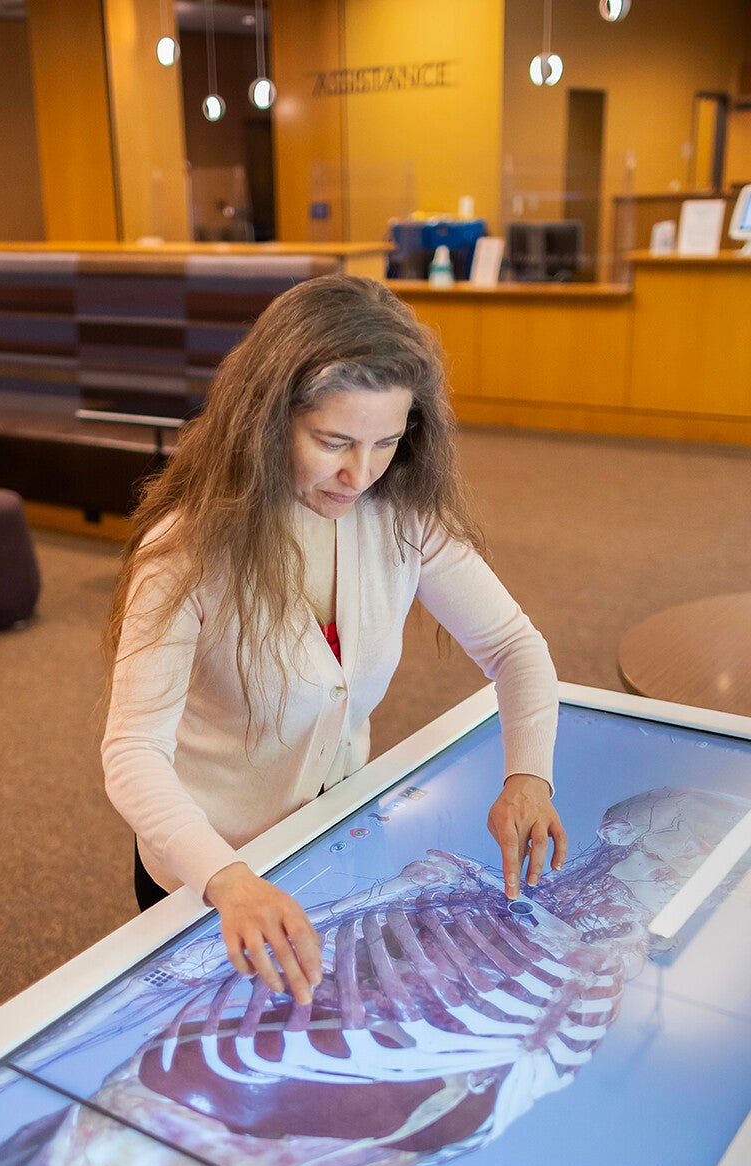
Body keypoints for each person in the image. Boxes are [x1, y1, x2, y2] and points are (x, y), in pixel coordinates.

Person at [101, 273, 565, 1006]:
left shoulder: (398, 514)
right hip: (205, 869)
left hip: (335, 839)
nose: (360, 473)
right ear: (267, 418)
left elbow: (515, 648)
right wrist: (228, 882)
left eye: (386, 441)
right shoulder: (187, 551)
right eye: (333, 441)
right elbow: (131, 754)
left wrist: (527, 777)